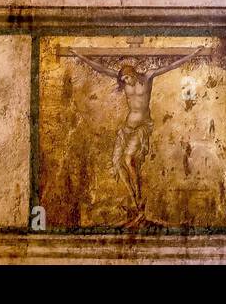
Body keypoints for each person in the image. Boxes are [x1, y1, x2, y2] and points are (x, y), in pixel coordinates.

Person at [72, 47, 202, 224]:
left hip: (141, 126)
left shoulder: (147, 77)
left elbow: (171, 66)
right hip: (127, 128)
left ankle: (139, 197)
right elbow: (101, 69)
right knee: (118, 164)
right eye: (123, 80)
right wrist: (80, 55)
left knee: (128, 159)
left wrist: (192, 55)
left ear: (132, 73)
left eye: (127, 77)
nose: (126, 81)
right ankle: (134, 200)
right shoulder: (125, 82)